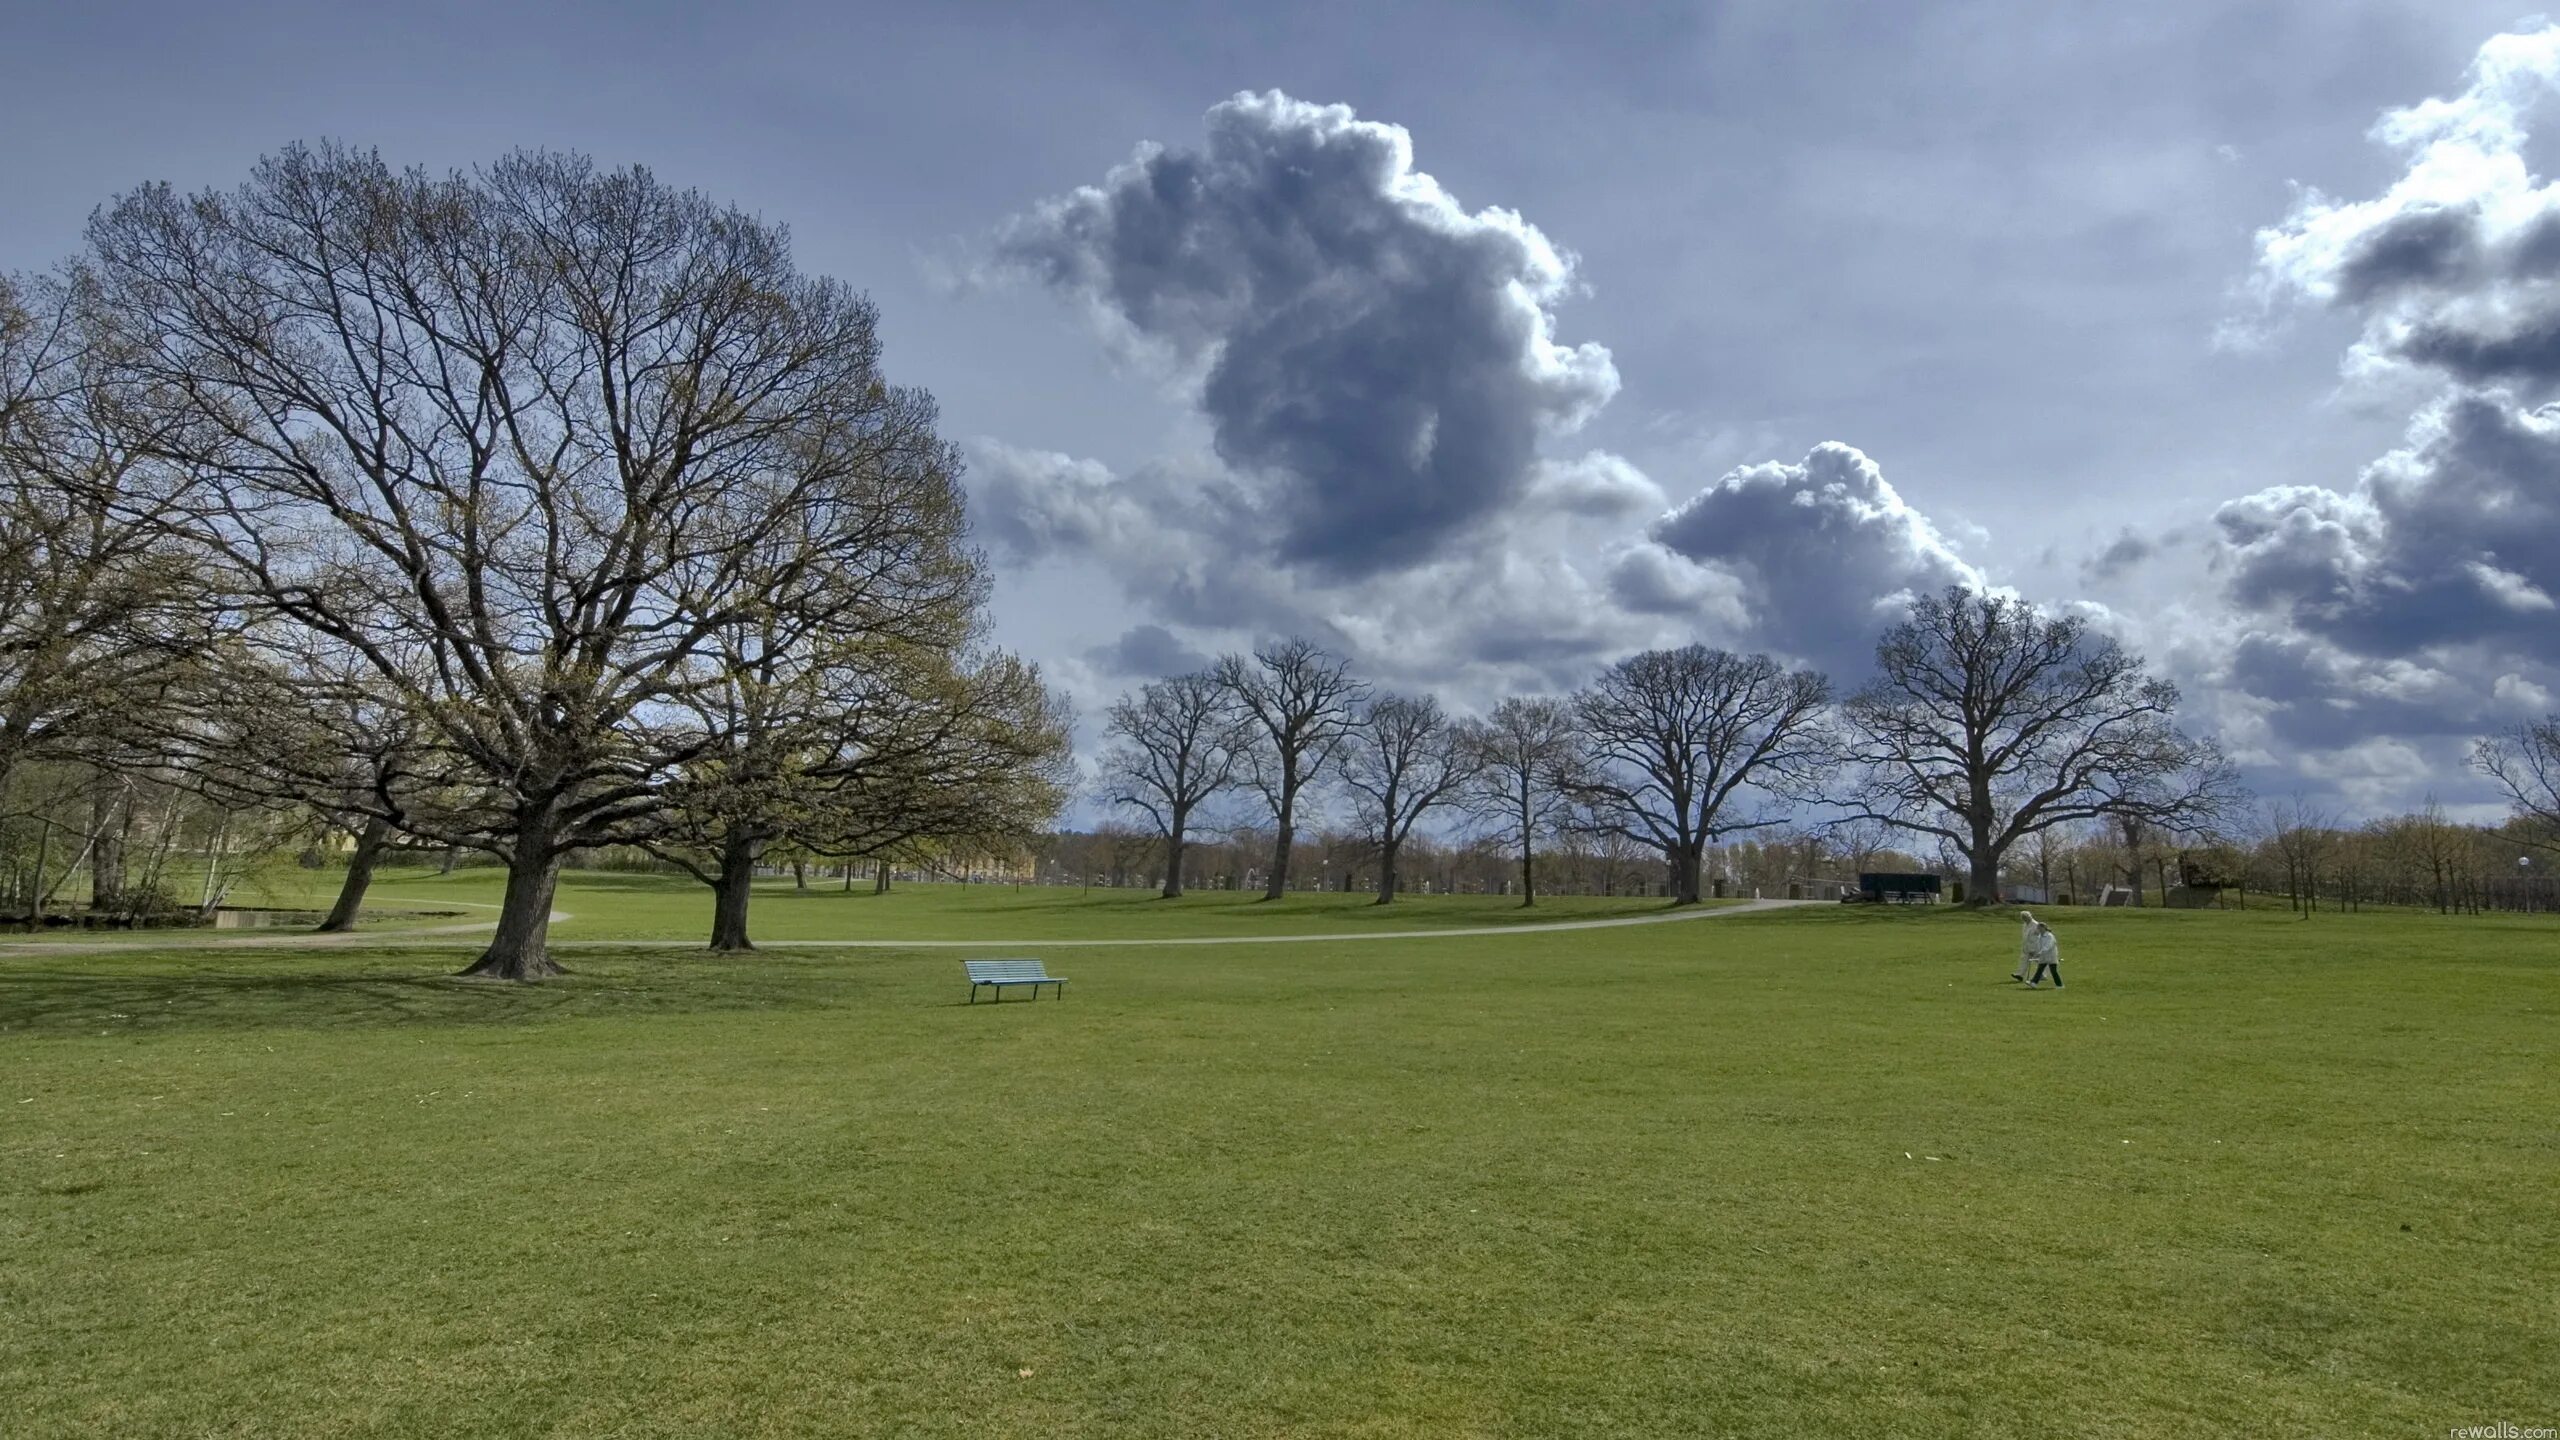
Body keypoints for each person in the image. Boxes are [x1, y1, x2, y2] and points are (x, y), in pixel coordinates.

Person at [2022, 916, 2063, 989]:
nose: (2039, 930)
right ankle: (2033, 983)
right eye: (2038, 928)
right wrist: (2035, 952)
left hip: (2051, 956)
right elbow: (2038, 945)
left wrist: (2040, 952)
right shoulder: (2040, 936)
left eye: (2040, 928)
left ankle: (2060, 985)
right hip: (2043, 956)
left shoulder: (2049, 936)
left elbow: (2048, 946)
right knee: (2040, 969)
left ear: (2044, 928)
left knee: (2053, 971)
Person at [2014, 910, 2040, 983]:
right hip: (2026, 946)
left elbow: (2039, 936)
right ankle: (2020, 975)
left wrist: (2034, 948)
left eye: (2025, 917)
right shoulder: (2025, 925)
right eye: (2022, 918)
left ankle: (2042, 974)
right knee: (2024, 960)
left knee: (2038, 961)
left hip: (2035, 946)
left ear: (2029, 916)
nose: (2023, 919)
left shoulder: (2036, 925)